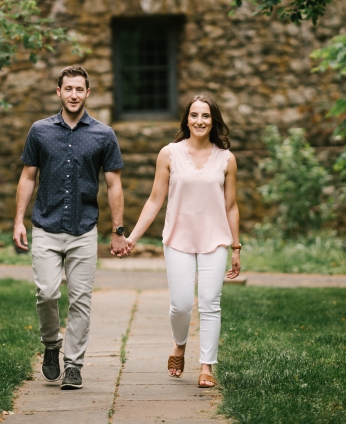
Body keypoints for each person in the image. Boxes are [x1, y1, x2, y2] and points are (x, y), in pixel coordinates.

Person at [13, 65, 128, 390]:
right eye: (68, 89)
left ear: (87, 93)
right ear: (59, 92)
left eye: (79, 89)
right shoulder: (39, 131)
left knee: (80, 300)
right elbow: (27, 177)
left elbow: (114, 185)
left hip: (84, 229)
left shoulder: (104, 135)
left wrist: (118, 231)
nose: (74, 94)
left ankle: (74, 365)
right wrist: (18, 220)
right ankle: (52, 344)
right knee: (47, 293)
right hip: (46, 227)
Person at [123, 95, 241, 388]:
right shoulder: (169, 154)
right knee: (181, 304)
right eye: (194, 115)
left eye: (205, 116)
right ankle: (179, 343)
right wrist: (133, 238)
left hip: (215, 240)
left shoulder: (226, 159)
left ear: (213, 121)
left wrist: (236, 247)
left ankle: (206, 366)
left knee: (210, 303)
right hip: (178, 238)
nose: (199, 121)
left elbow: (231, 206)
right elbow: (154, 200)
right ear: (186, 120)